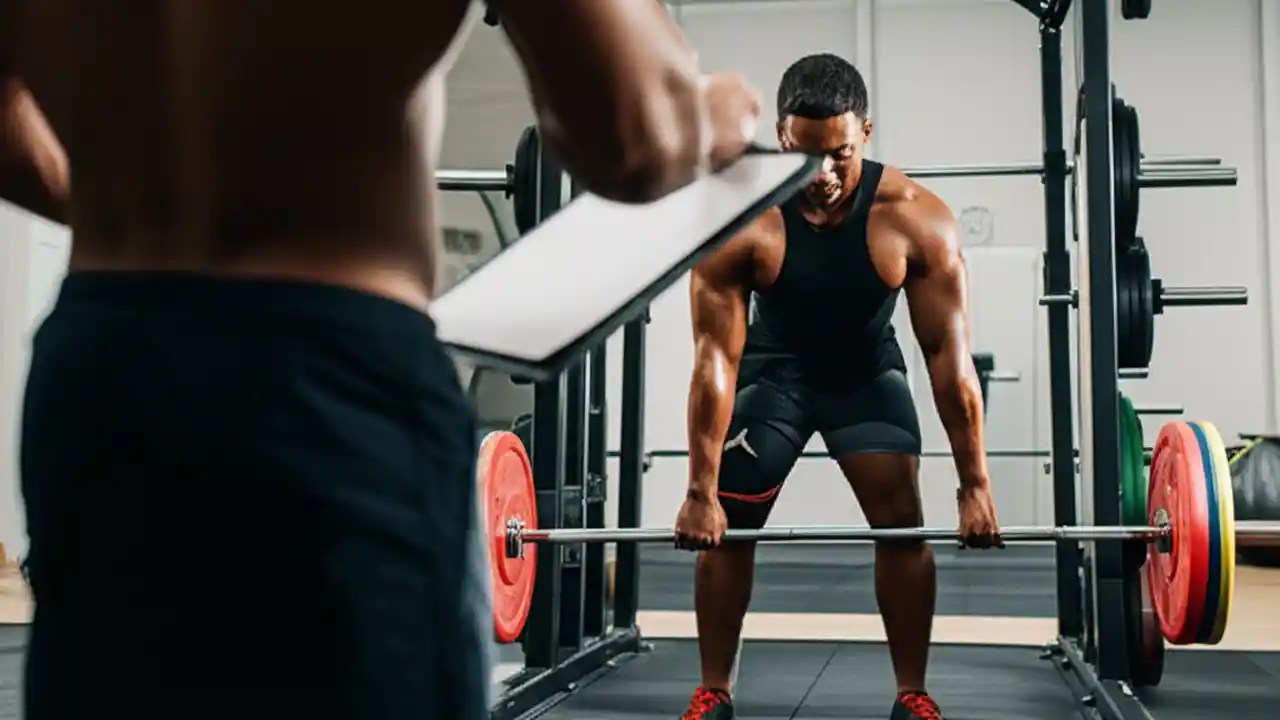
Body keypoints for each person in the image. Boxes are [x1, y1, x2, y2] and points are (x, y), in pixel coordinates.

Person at [0, 1, 762, 718]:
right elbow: (634, 135)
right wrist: (723, 111)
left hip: (104, 358)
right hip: (329, 367)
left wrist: (140, 200)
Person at [675, 53, 1002, 720]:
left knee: (903, 526)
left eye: (842, 156)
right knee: (729, 523)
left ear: (867, 134)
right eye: (805, 157)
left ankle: (913, 693)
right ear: (781, 136)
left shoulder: (915, 218)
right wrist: (697, 491)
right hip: (775, 377)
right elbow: (714, 361)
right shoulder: (741, 221)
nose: (822, 176)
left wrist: (976, 484)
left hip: (865, 377)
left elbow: (947, 356)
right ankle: (715, 690)